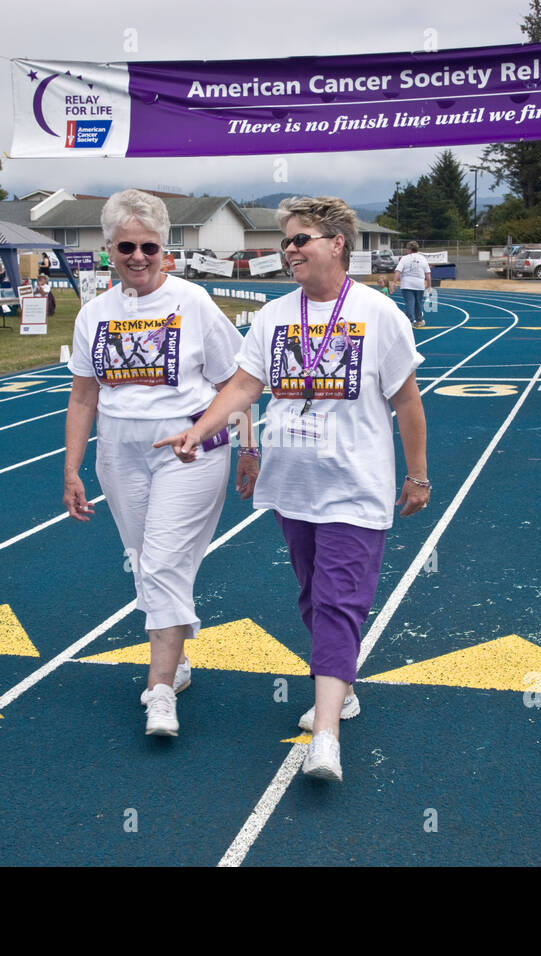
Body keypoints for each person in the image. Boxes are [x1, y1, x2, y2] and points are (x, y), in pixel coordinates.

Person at [156, 196, 429, 782]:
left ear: (337, 245)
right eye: (286, 241)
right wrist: (202, 429)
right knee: (313, 595)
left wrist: (417, 473)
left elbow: (407, 402)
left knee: (338, 600)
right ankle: (343, 687)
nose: (290, 249)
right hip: (294, 486)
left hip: (357, 486)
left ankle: (325, 735)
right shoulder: (276, 316)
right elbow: (243, 388)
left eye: (301, 238)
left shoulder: (381, 315)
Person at [63, 188, 257, 738]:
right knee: (143, 559)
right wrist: (73, 468)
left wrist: (248, 446)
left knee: (164, 561)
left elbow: (236, 386)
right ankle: (179, 659)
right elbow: (83, 397)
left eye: (150, 246)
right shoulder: (94, 314)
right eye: (126, 246)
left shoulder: (193, 303)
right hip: (117, 453)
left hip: (188, 451)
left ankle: (160, 690)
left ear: (166, 249)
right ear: (108, 249)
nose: (138, 257)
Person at [393, 240, 431, 328]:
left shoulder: (404, 258)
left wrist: (394, 282)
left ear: (409, 249)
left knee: (409, 303)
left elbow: (398, 271)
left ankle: (410, 321)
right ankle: (419, 321)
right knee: (418, 303)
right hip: (419, 284)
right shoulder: (423, 259)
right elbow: (428, 274)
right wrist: (429, 286)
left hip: (407, 284)